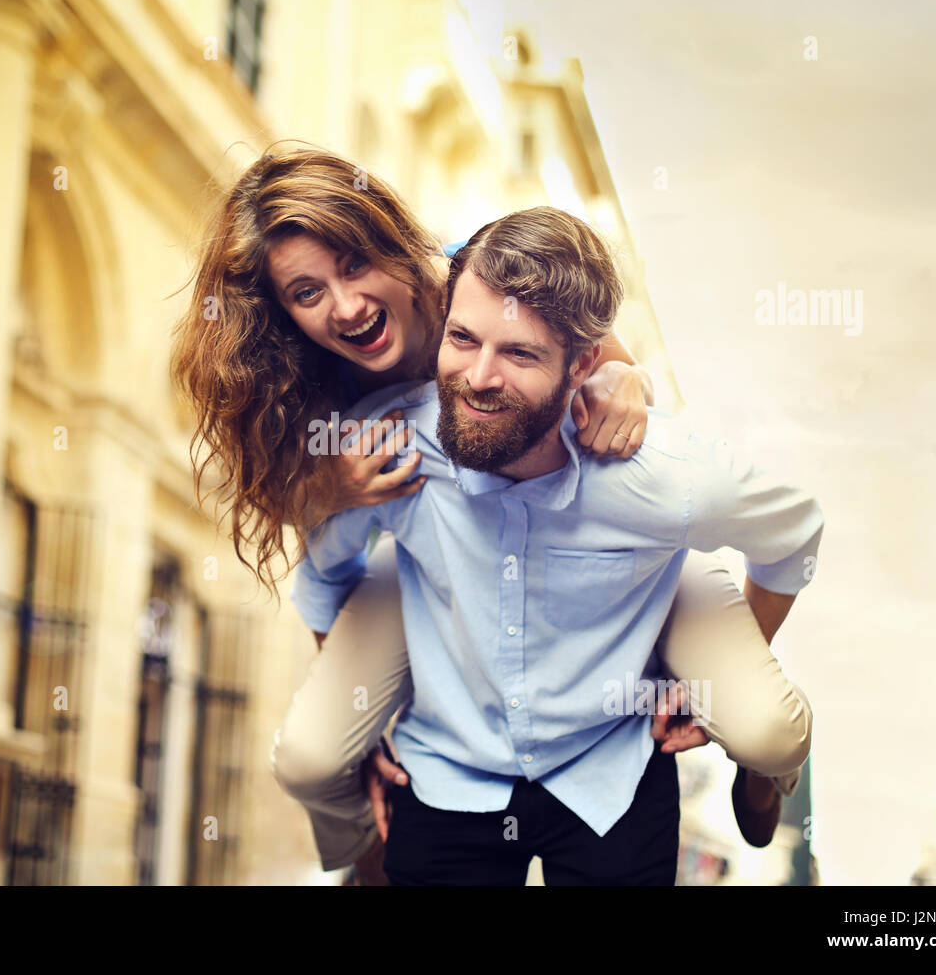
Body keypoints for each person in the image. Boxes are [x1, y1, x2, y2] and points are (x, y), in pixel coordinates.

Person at [170, 146, 811, 883]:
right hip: (426, 547)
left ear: (393, 247)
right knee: (313, 755)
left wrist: (624, 378)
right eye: (307, 293)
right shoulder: (316, 378)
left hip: (598, 553)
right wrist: (329, 485)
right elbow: (320, 553)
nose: (343, 306)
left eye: (352, 266)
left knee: (765, 725)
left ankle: (761, 769)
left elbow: (592, 348)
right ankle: (368, 852)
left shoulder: (472, 273)